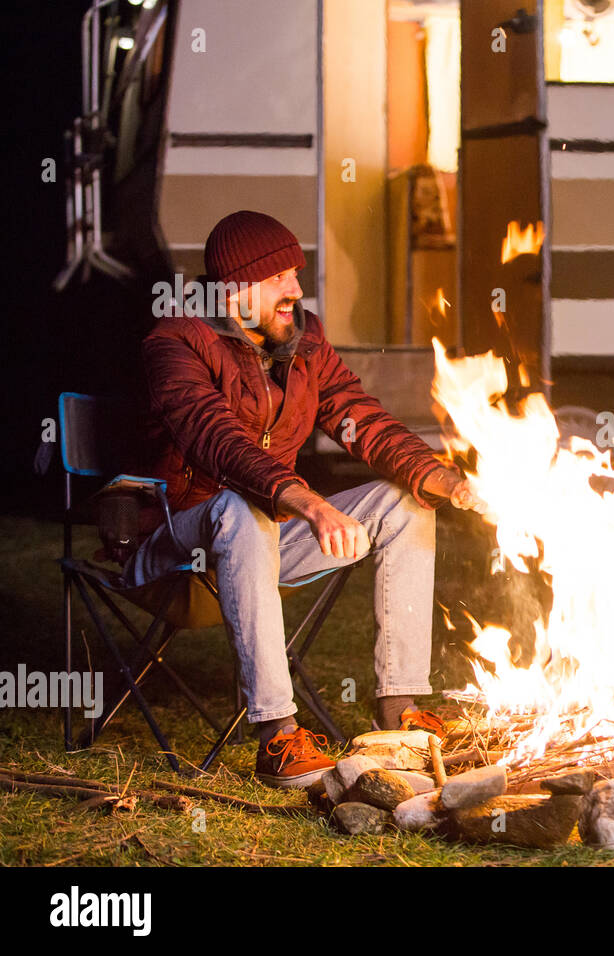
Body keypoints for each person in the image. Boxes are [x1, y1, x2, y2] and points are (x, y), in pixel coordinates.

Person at [125, 210, 482, 787]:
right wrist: (308, 502)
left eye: (295, 272)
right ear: (235, 289)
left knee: (407, 501)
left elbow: (359, 418)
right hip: (173, 543)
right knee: (240, 507)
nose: (296, 289)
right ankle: (279, 736)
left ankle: (401, 711)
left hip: (263, 539)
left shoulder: (303, 341)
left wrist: (446, 479)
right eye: (278, 279)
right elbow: (217, 439)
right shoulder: (175, 342)